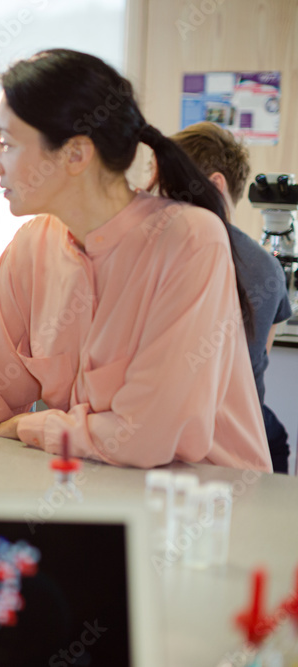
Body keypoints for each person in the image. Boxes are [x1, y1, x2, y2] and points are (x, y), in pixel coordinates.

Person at [0, 49, 271, 472]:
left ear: (76, 154)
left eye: (6, 143)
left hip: (213, 506)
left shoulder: (190, 239)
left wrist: (33, 426)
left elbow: (145, 436)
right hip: (100, 491)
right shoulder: (32, 245)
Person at [171, 121, 292, 473]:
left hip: (191, 434)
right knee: (274, 435)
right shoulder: (268, 268)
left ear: (214, 185)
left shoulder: (167, 251)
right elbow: (261, 354)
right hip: (242, 437)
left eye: (170, 186)